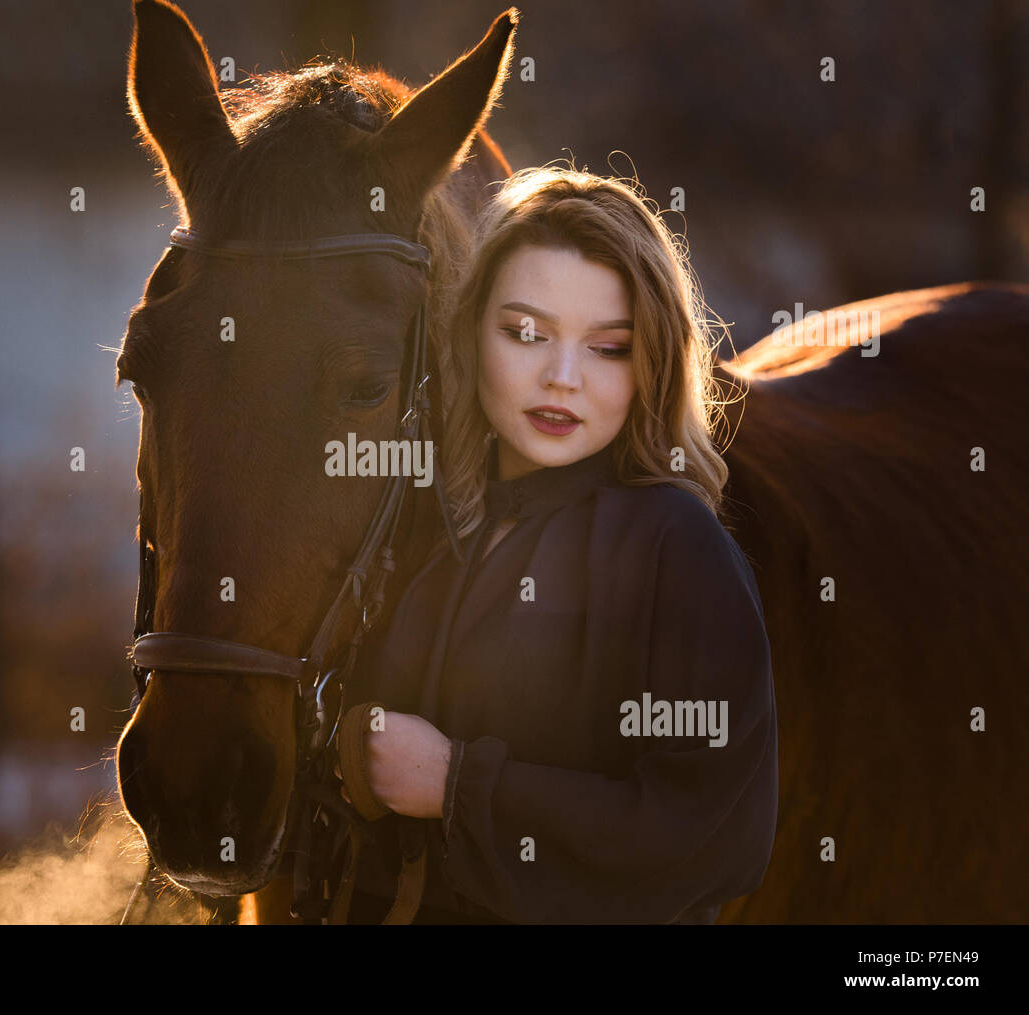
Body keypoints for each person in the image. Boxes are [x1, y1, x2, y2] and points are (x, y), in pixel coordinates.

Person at [331, 163, 779, 924]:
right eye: (527, 334)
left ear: (652, 362)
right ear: (473, 333)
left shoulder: (679, 546)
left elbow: (708, 835)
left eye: (607, 347)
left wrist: (456, 782)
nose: (562, 377)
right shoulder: (432, 525)